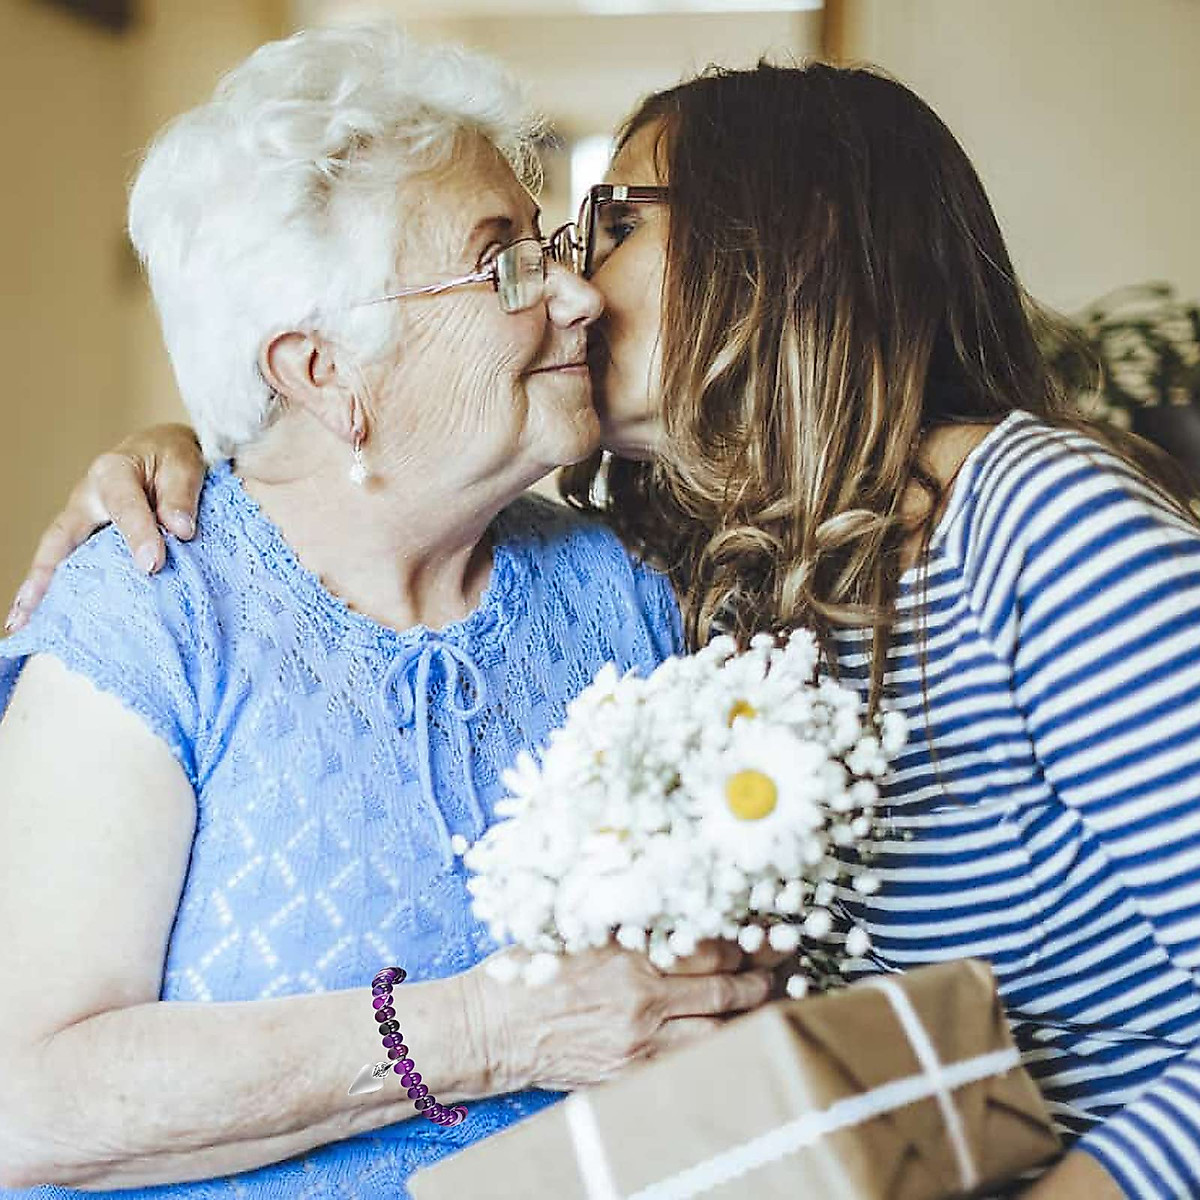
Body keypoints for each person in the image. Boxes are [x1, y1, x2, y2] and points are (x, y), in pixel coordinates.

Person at [16, 59, 1200, 1200]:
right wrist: (199, 453)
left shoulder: (1000, 530)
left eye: (605, 229)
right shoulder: (732, 570)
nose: (574, 286)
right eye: (517, 260)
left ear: (787, 245)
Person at [0, 26, 775, 1199]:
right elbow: (29, 1102)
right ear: (324, 372)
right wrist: (490, 1030)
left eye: (547, 239)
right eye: (500, 261)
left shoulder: (625, 591)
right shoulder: (156, 612)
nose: (575, 293)